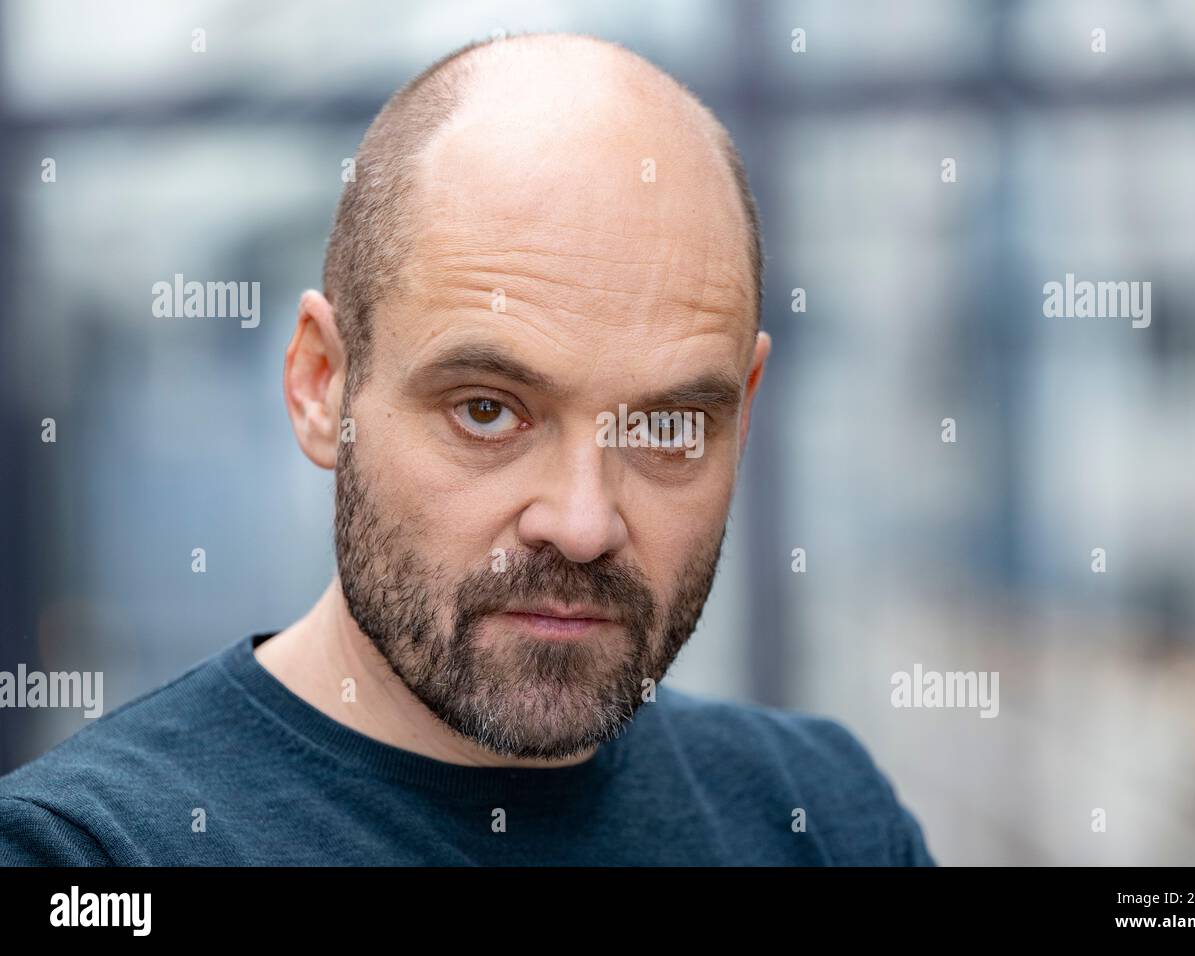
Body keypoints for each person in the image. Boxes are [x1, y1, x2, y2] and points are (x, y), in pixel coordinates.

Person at [0, 32, 934, 866]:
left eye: (666, 426)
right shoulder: (87, 853)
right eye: (487, 411)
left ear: (747, 409)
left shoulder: (824, 816)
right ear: (323, 386)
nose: (579, 524)